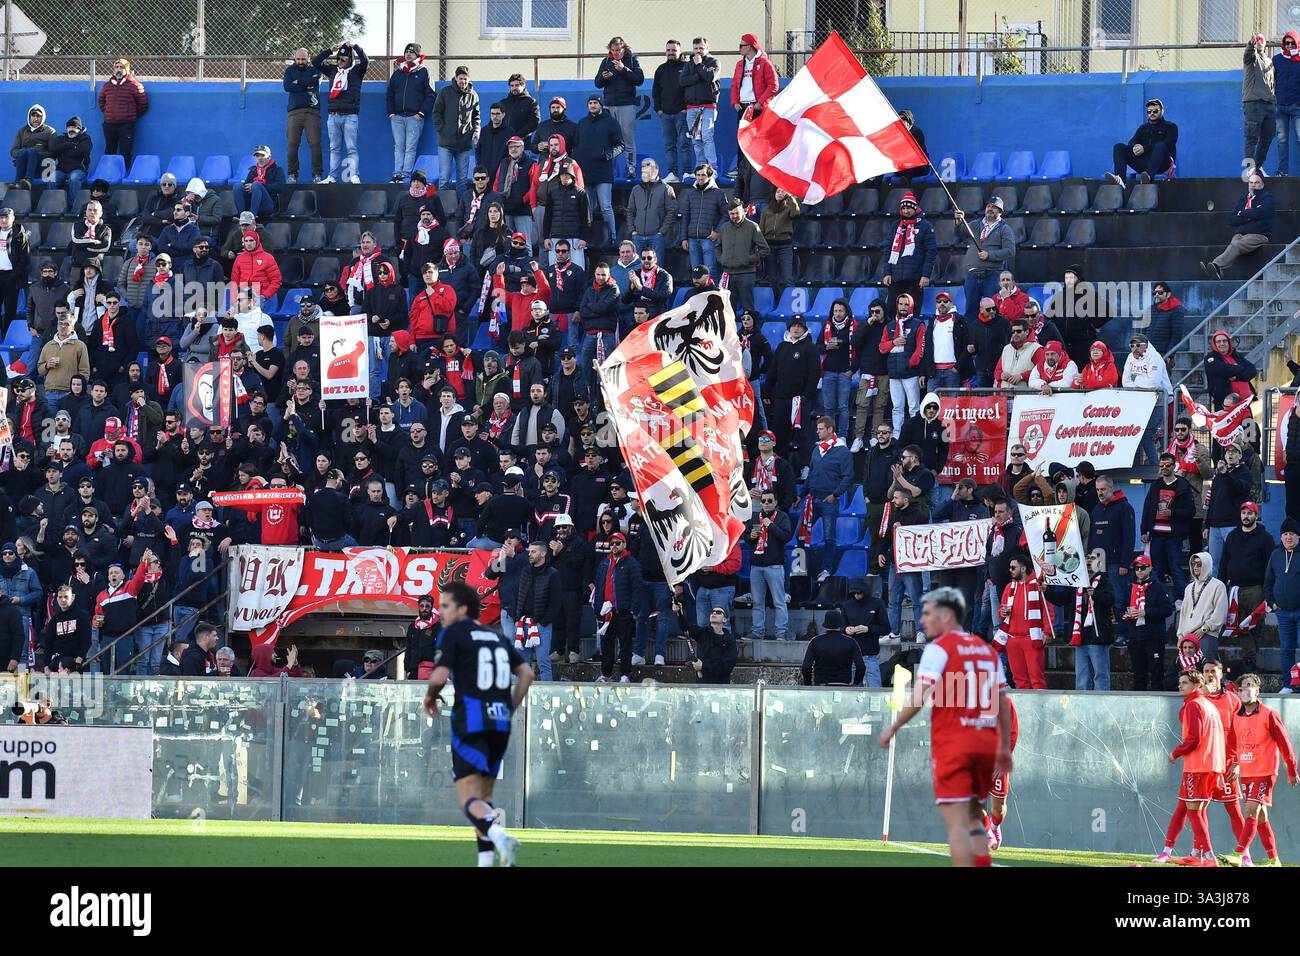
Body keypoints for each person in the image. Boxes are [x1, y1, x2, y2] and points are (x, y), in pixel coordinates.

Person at [879, 587, 1014, 868]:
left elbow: (921, 694)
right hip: (984, 746)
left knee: (958, 819)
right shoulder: (985, 650)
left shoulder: (939, 649)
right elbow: (1003, 702)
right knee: (971, 812)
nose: (922, 620)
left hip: (957, 746)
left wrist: (895, 727)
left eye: (927, 614)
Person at [422, 581, 532, 867]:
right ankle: (485, 862)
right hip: (500, 724)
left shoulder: (453, 633)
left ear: (461, 608)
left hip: (470, 722)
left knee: (467, 800)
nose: (440, 611)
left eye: (445, 606)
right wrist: (509, 707)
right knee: (485, 797)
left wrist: (430, 698)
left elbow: (438, 677)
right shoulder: (495, 636)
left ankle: (500, 836)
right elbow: (527, 674)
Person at [1223, 673, 1297, 867]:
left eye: (1250, 686)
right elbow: (1231, 744)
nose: (1245, 690)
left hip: (1265, 771)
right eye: (1242, 687)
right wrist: (1234, 763)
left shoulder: (1269, 714)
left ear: (1257, 691)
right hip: (1247, 773)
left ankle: (1239, 854)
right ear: (1238, 693)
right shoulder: (1236, 717)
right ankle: (1274, 859)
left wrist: (1291, 769)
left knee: (1250, 811)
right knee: (1261, 817)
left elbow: (1284, 743)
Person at [1153, 669, 1225, 867]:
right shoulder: (1208, 705)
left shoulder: (1194, 705)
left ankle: (1209, 857)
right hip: (1212, 764)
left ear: (1196, 685)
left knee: (1193, 810)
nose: (1180, 685)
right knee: (1192, 808)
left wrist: (1175, 753)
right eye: (1180, 682)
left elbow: (1194, 738)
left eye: (1184, 682)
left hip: (1199, 765)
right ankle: (1195, 853)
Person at [729, 33, 779, 196]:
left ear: (750, 46)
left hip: (758, 108)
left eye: (742, 45)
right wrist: (735, 102)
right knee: (741, 140)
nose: (739, 48)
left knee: (759, 141)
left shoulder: (765, 63)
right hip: (743, 108)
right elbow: (735, 84)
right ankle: (740, 172)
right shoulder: (739, 64)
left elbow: (773, 85)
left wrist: (761, 103)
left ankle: (761, 170)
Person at [955, 197, 1015, 326]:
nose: (990, 209)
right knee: (970, 311)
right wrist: (959, 220)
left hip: (992, 275)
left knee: (993, 310)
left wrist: (989, 255)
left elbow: (1010, 251)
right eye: (988, 206)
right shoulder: (976, 224)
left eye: (994, 207)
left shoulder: (1005, 229)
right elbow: (960, 233)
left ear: (1000, 212)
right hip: (972, 275)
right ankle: (971, 342)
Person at [313, 42, 368, 185]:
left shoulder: (357, 71)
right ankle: (332, 177)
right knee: (334, 148)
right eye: (338, 59)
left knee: (351, 148)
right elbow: (316, 62)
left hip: (350, 116)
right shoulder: (333, 71)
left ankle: (354, 175)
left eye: (343, 59)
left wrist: (356, 46)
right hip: (333, 115)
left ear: (350, 59)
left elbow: (365, 60)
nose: (340, 62)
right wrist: (330, 50)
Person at [1202, 169, 1272, 279]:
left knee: (1236, 245)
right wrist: (1251, 215)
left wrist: (1243, 213)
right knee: (1235, 243)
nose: (1253, 185)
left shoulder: (1266, 198)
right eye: (1251, 182)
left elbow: (1263, 212)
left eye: (1257, 182)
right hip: (1240, 234)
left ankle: (1216, 265)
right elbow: (1232, 219)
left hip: (1258, 234)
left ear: (1262, 184)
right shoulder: (1243, 199)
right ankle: (1219, 270)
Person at [592, 531, 642, 683]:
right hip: (606, 611)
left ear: (624, 544)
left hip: (623, 611)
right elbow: (599, 587)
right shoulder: (604, 563)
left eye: (617, 543)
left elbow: (637, 588)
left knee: (625, 644)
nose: (614, 546)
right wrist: (598, 608)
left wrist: (633, 610)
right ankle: (606, 674)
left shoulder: (631, 563)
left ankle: (625, 674)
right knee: (606, 645)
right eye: (611, 543)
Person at [994, 555, 1050, 689]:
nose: (1010, 570)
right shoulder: (1009, 587)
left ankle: (1039, 709)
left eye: (1013, 568)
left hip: (1032, 638)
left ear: (1023, 568)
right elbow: (1001, 610)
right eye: (1010, 568)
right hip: (1012, 639)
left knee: (1037, 680)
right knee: (1019, 680)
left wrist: (1047, 632)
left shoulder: (1038, 584)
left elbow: (1048, 610)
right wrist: (1002, 612)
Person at [1121, 555, 1175, 692]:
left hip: (1153, 637)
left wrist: (1146, 612)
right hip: (1135, 637)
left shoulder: (1158, 587)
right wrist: (1125, 615)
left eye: (1143, 567)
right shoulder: (1130, 588)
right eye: (1136, 568)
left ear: (1150, 568)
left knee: (1156, 674)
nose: (1139, 571)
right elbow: (1121, 608)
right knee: (1138, 675)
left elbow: (1168, 609)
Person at [593, 36, 643, 180]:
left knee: (627, 139)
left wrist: (624, 70)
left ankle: (631, 170)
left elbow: (639, 80)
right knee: (608, 140)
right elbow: (597, 83)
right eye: (613, 50)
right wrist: (604, 77)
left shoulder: (632, 60)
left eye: (618, 50)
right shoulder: (606, 61)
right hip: (608, 105)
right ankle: (609, 170)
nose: (616, 53)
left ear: (624, 49)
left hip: (626, 104)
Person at [745, 489, 791, 641]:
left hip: (774, 565)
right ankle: (757, 631)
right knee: (757, 602)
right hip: (756, 566)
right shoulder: (754, 517)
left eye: (769, 501)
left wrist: (770, 525)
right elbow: (746, 537)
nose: (765, 504)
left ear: (776, 502)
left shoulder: (782, 517)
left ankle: (780, 633)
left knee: (779, 601)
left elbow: (786, 537)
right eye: (763, 501)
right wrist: (750, 537)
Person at [881, 191, 937, 312]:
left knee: (913, 313)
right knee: (892, 313)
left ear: (915, 208)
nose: (906, 211)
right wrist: (887, 273)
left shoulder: (925, 226)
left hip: (915, 279)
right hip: (895, 278)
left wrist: (925, 275)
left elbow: (931, 252)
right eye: (904, 208)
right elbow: (888, 250)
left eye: (909, 208)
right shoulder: (896, 226)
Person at [387, 42, 433, 184]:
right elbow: (390, 94)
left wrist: (421, 113)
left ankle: (405, 175)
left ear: (417, 55)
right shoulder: (397, 73)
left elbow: (430, 94)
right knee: (398, 147)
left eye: (412, 52)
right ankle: (397, 174)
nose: (408, 54)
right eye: (407, 51)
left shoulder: (424, 71)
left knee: (410, 148)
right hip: (398, 117)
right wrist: (391, 113)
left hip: (415, 117)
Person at [716, 197, 769, 316]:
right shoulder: (724, 228)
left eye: (737, 213)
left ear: (743, 211)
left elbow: (765, 249)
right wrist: (722, 259)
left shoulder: (752, 226)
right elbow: (717, 247)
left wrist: (749, 259)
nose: (734, 216)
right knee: (728, 310)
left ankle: (752, 333)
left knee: (748, 309)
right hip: (728, 274)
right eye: (732, 214)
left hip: (746, 274)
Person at [1264, 517, 1300, 693]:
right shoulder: (1276, 554)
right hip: (1283, 612)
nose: (1288, 537)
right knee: (1286, 650)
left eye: (1292, 534)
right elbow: (1268, 581)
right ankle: (1289, 685)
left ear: (1298, 536)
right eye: (1285, 534)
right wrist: (1271, 603)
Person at [1071, 549, 1114, 691]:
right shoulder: (1078, 582)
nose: (1089, 560)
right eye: (1087, 558)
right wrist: (1047, 591)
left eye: (1092, 558)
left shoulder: (1105, 581)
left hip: (1097, 637)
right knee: (1081, 677)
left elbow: (1111, 599)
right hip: (1081, 638)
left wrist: (1095, 594)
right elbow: (1062, 599)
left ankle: (1102, 708)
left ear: (1099, 563)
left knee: (1100, 676)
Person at [433, 67, 480, 194]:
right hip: (445, 144)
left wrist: (476, 130)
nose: (463, 81)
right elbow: (436, 113)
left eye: (465, 79)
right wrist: (442, 129)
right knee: (444, 179)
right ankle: (443, 209)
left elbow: (476, 116)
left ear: (469, 79)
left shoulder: (473, 95)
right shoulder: (445, 92)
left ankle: (461, 210)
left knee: (462, 180)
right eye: (460, 78)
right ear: (455, 78)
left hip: (464, 144)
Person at [1108, 98, 1178, 184]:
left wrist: (1144, 148)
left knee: (1160, 146)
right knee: (1119, 147)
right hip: (1143, 163)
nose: (1152, 113)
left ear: (1162, 111)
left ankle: (1148, 178)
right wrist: (1135, 147)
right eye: (1149, 111)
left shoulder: (1171, 127)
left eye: (1155, 111)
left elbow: (1169, 143)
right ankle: (1121, 180)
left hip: (1162, 164)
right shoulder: (1143, 128)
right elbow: (1132, 141)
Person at [1176, 551, 1228, 663]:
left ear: (1207, 565)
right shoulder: (1189, 587)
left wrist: (1204, 628)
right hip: (1187, 635)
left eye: (1199, 564)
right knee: (1188, 672)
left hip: (1206, 633)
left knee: (1207, 670)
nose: (1195, 567)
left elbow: (1220, 612)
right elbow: (1183, 614)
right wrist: (1180, 635)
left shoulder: (1218, 585)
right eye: (1193, 563)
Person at [97, 58, 148, 169]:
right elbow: (101, 101)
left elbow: (143, 104)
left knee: (126, 150)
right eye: (117, 67)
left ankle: (125, 174)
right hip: (109, 124)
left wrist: (130, 114)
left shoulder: (135, 85)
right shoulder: (107, 86)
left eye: (122, 67)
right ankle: (109, 173)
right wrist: (108, 113)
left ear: (127, 70)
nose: (119, 70)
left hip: (127, 125)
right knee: (110, 150)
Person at [282, 48, 323, 184]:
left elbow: (315, 82)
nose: (300, 61)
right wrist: (306, 85)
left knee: (315, 144)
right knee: (292, 145)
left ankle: (317, 174)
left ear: (308, 58)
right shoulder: (289, 71)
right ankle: (292, 174)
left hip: (312, 112)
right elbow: (287, 86)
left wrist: (298, 82)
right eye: (298, 59)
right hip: (294, 112)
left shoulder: (315, 69)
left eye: (303, 59)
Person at [679, 37, 720, 172]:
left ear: (707, 48)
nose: (698, 51)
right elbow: (682, 81)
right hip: (691, 107)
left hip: (708, 106)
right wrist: (698, 77)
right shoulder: (688, 63)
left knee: (707, 137)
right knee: (696, 140)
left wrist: (699, 65)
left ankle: (712, 169)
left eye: (701, 48)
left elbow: (710, 77)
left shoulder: (714, 61)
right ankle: (700, 170)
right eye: (696, 48)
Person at [839, 578, 889, 688]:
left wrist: (868, 629)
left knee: (875, 690)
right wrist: (846, 629)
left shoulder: (877, 603)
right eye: (854, 593)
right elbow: (841, 626)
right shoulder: (847, 605)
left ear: (865, 591)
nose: (856, 595)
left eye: (859, 592)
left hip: (870, 656)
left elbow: (886, 628)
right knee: (852, 694)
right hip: (851, 656)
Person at [676, 598, 737, 684]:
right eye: (713, 611)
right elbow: (686, 627)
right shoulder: (703, 632)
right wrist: (679, 612)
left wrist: (703, 667)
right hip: (701, 684)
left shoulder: (729, 640)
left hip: (721, 686)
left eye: (718, 612)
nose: (714, 613)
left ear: (725, 620)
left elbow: (726, 667)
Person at [652, 40, 688, 184]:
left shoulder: (686, 67)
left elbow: (689, 90)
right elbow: (656, 92)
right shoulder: (661, 69)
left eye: (674, 50)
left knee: (685, 144)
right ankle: (673, 174)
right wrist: (659, 109)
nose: (671, 52)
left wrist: (686, 108)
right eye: (669, 50)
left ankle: (687, 173)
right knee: (669, 146)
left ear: (680, 51)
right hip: (665, 115)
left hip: (682, 113)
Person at [800, 609, 864, 686]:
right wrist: (856, 683)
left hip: (821, 685)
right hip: (843, 685)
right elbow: (861, 667)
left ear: (825, 624)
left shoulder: (815, 641)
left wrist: (808, 685)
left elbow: (806, 667)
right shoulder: (851, 642)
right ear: (840, 624)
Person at [1243, 34, 1276, 173]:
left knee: (1268, 136)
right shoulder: (1251, 58)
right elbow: (1248, 53)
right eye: (1258, 40)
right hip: (1253, 103)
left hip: (1269, 104)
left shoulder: (1269, 61)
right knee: (1252, 138)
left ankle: (1258, 167)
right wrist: (1251, 44)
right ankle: (1249, 169)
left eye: (1262, 40)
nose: (1260, 42)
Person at [0, 208, 31, 341]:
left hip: (12, 277)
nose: (4, 220)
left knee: (10, 311)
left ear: (13, 218)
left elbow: (25, 259)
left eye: (6, 217)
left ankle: (7, 338)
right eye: (1, 217)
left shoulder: (19, 234)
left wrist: (14, 274)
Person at [234, 145, 286, 218]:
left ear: (269, 157)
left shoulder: (277, 170)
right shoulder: (253, 170)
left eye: (262, 155)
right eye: (257, 156)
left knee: (256, 184)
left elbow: (280, 187)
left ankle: (252, 218)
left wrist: (260, 186)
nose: (260, 158)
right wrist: (249, 187)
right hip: (252, 201)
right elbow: (247, 184)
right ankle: (242, 217)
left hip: (268, 204)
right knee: (238, 186)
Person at [10, 104, 53, 188]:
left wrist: (35, 153)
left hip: (42, 165)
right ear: (29, 117)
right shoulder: (22, 131)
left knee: (32, 151)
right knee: (22, 152)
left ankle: (28, 181)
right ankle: (18, 183)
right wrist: (25, 154)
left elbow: (52, 153)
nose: (36, 119)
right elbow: (13, 151)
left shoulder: (50, 131)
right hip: (24, 162)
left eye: (38, 116)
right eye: (33, 116)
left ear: (43, 117)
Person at [48, 116, 92, 196]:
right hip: (61, 170)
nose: (71, 129)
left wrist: (64, 150)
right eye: (69, 127)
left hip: (78, 169)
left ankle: (74, 205)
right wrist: (69, 145)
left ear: (79, 129)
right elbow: (53, 150)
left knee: (74, 179)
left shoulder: (85, 138)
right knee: (51, 179)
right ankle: (54, 204)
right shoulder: (61, 139)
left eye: (74, 127)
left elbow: (84, 151)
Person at [1277, 30, 1300, 175]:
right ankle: (1282, 171)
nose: (1289, 46)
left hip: (1297, 106)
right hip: (1280, 107)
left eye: (1292, 43)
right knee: (1282, 141)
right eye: (1287, 43)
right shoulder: (1277, 60)